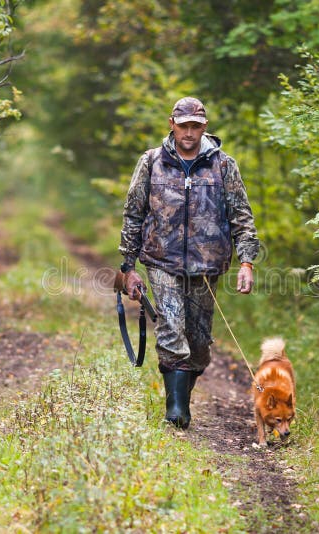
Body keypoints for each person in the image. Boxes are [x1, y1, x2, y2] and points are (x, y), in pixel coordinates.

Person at [119, 96, 260, 429]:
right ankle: (177, 412)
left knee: (198, 345)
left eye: (195, 126)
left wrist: (247, 262)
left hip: (207, 268)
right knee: (171, 328)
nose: (189, 132)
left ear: (204, 127)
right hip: (160, 260)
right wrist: (127, 267)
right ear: (172, 124)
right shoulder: (151, 162)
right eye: (183, 126)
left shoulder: (224, 165)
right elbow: (133, 213)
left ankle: (182, 391)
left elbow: (241, 216)